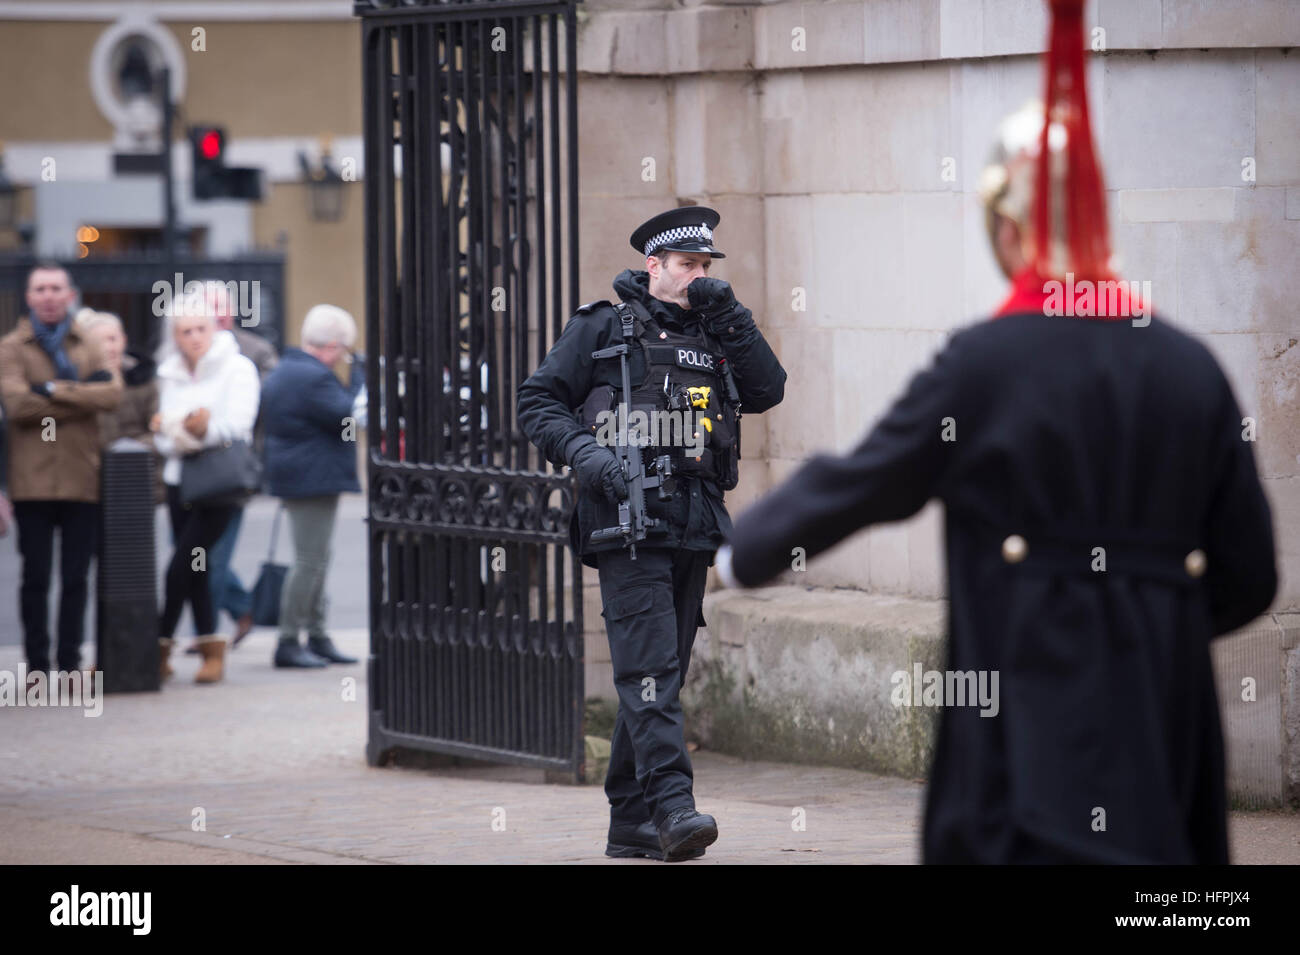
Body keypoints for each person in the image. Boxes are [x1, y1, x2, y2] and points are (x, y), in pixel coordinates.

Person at [713, 0, 1277, 864]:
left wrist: (745, 548)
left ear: (1011, 230)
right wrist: (1144, 625)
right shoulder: (1192, 369)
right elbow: (1250, 574)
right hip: (1160, 759)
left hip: (1018, 763)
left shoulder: (984, 365)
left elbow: (868, 477)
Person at [517, 206, 787, 861]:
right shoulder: (602, 326)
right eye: (687, 265)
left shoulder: (717, 329)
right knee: (650, 672)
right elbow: (537, 402)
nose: (697, 275)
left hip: (694, 524)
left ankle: (630, 820)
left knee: (665, 674)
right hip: (627, 520)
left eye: (705, 265)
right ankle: (673, 809)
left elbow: (768, 388)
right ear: (654, 266)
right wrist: (592, 457)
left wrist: (732, 313)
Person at [0, 263, 122, 676]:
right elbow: (17, 405)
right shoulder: (12, 347)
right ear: (29, 296)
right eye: (40, 288)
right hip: (31, 483)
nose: (49, 296)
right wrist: (79, 397)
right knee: (35, 579)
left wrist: (51, 390)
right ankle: (37, 668)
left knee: (75, 580)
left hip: (81, 479)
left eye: (56, 288)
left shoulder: (87, 342)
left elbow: (111, 394)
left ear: (70, 295)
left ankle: (69, 664)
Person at [151, 291, 260, 684]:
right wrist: (182, 431)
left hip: (219, 483)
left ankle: (158, 645)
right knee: (197, 566)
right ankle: (210, 650)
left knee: (181, 565)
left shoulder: (237, 368)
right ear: (175, 335)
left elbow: (237, 425)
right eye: (185, 331)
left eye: (201, 329)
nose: (194, 337)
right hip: (180, 481)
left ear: (213, 329)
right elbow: (163, 433)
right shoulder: (170, 372)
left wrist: (196, 430)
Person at [260, 304, 364, 669]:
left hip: (302, 475)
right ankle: (289, 640)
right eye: (344, 350)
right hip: (312, 477)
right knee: (309, 560)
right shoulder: (313, 377)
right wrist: (360, 380)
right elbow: (349, 415)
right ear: (332, 345)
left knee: (317, 557)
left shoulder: (287, 370)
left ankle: (317, 635)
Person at [191, 279, 280, 653]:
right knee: (191, 557)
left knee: (212, 556)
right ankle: (236, 613)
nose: (219, 315)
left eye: (222, 307)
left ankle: (210, 632)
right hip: (193, 470)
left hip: (234, 469)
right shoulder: (189, 350)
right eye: (211, 308)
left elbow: (272, 401)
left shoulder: (254, 350)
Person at [76, 309, 165, 506]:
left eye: (112, 339)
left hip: (137, 481)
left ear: (123, 340)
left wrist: (127, 453)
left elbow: (159, 431)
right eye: (99, 341)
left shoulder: (144, 382)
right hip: (90, 487)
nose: (108, 347)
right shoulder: (77, 385)